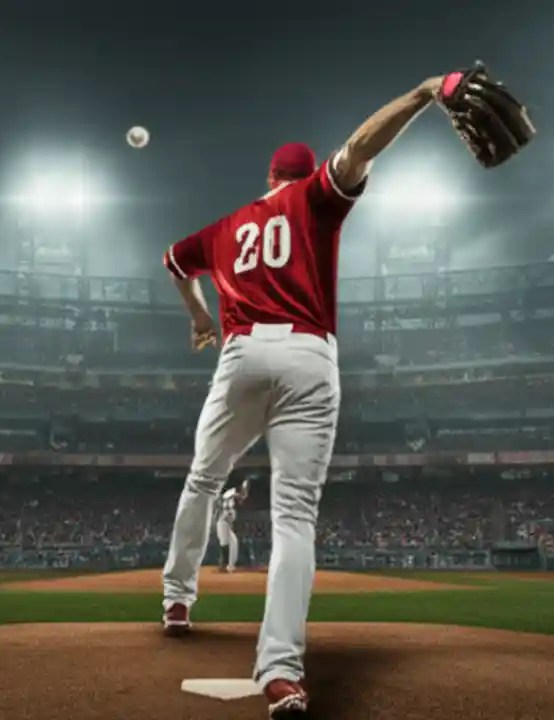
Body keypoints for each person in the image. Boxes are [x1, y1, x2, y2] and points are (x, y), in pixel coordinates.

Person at [160, 74, 458, 719]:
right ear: (300, 175)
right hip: (308, 354)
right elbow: (358, 149)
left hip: (240, 356)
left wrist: (199, 316)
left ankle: (177, 599)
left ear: (268, 176)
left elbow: (173, 262)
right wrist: (423, 92)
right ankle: (281, 672)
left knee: (203, 479)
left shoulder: (225, 227)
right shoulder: (317, 199)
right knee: (294, 516)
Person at [216, 480, 249, 572]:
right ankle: (225, 563)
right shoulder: (224, 493)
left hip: (228, 513)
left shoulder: (231, 491)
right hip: (224, 514)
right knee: (224, 540)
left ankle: (228, 564)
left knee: (230, 540)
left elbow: (240, 496)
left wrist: (243, 490)